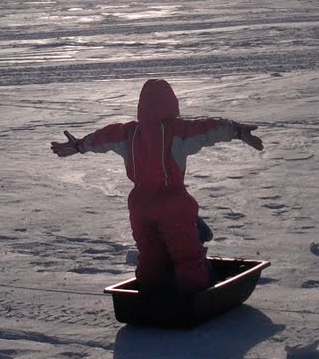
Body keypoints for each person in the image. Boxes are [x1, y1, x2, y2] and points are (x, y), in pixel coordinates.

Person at [52, 78, 263, 294]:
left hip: (140, 207)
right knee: (187, 256)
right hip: (172, 205)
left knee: (151, 255)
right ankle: (196, 296)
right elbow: (208, 128)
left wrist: (78, 146)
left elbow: (102, 138)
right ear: (172, 103)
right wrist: (236, 131)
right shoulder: (178, 130)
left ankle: (150, 295)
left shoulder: (128, 133)